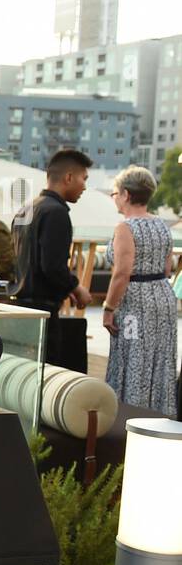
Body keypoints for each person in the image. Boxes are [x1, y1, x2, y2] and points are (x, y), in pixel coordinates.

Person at [103, 165, 178, 417]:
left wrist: (108, 308)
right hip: (162, 298)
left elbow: (122, 272)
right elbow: (167, 268)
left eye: (114, 193)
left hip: (135, 302)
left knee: (134, 359)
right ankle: (160, 416)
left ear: (125, 194)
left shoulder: (125, 228)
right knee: (160, 360)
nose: (114, 198)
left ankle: (129, 417)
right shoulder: (162, 225)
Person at [12, 149, 93, 369]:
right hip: (43, 313)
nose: (85, 186)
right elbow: (53, 267)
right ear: (68, 177)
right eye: (83, 179)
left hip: (19, 310)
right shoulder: (56, 213)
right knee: (45, 376)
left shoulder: (25, 209)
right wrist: (76, 288)